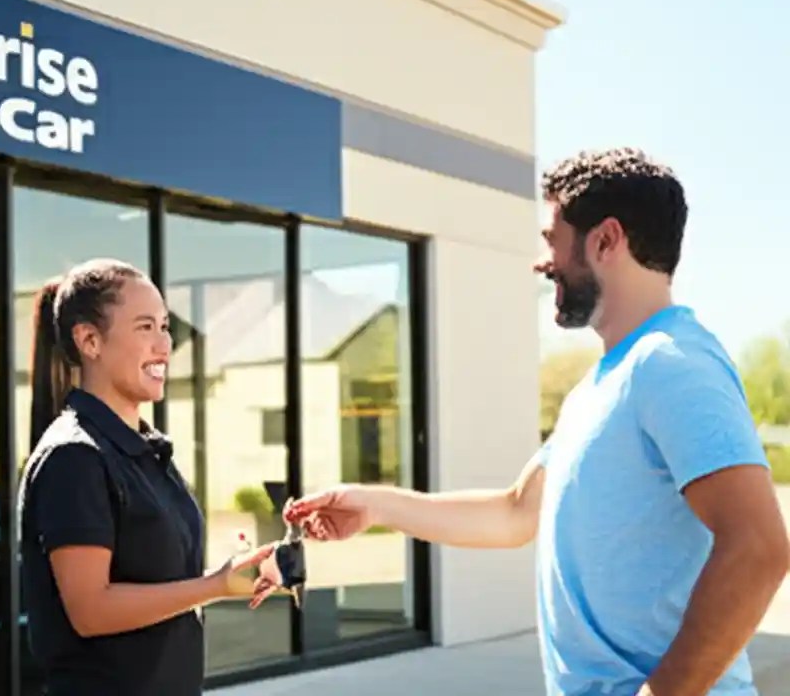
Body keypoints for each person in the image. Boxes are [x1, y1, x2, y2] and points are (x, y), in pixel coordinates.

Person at [281, 148, 790, 695]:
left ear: (605, 240)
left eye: (552, 239)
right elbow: (516, 512)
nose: (541, 261)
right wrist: (374, 505)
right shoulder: (601, 385)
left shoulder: (671, 362)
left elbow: (758, 548)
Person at [18, 257, 276, 696]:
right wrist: (213, 586)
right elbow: (91, 610)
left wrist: (231, 576)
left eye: (164, 326)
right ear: (90, 341)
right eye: (145, 327)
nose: (164, 345)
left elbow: (161, 581)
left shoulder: (147, 450)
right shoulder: (73, 458)